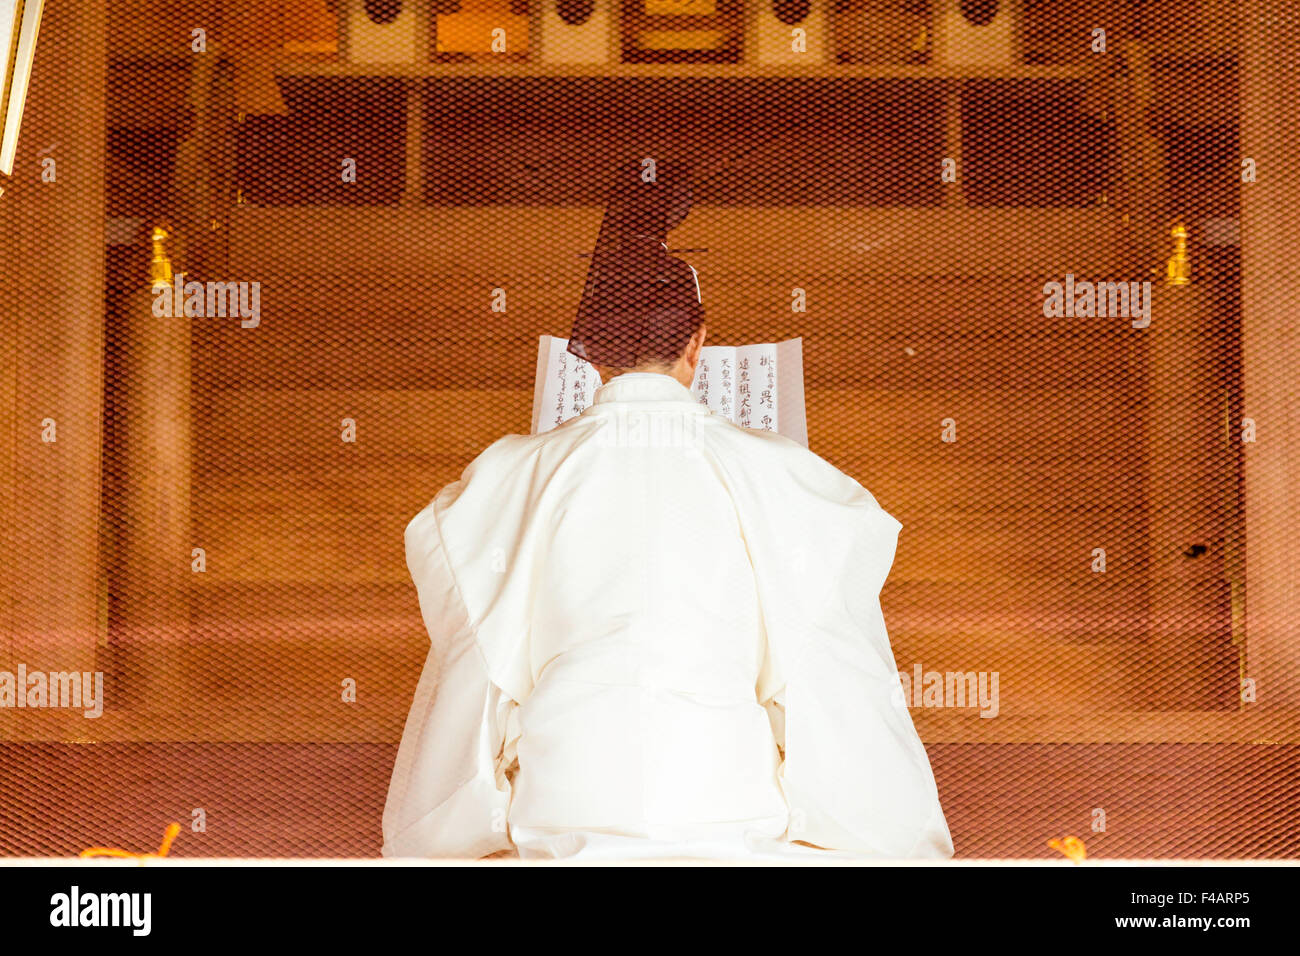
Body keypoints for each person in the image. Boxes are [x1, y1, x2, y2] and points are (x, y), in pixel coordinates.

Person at [381, 167, 953, 861]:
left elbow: (478, 663)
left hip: (563, 803)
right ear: (697, 345)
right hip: (725, 801)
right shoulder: (775, 472)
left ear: (588, 356)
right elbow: (824, 675)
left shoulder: (510, 474)